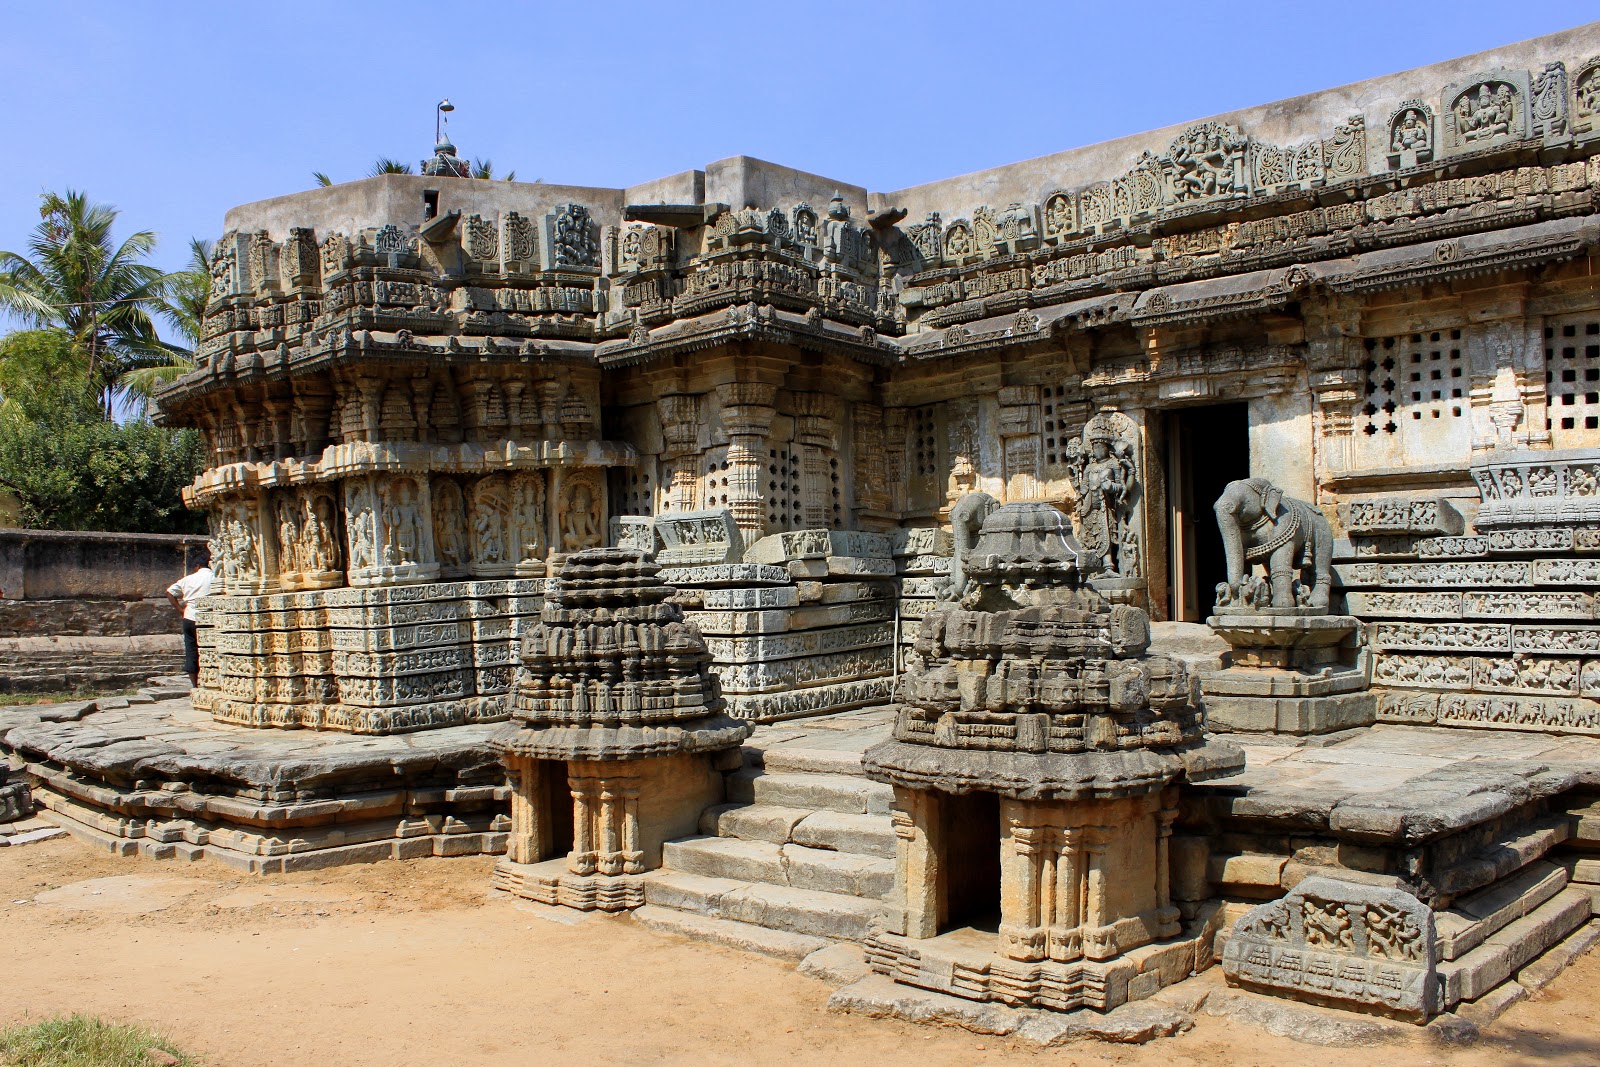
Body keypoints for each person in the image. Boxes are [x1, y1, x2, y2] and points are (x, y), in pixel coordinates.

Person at [166, 556, 214, 688]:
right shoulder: (215, 578)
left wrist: (181, 610)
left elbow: (170, 592)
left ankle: (195, 684)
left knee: (191, 650)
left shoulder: (188, 579)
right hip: (210, 617)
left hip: (190, 616)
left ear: (197, 566)